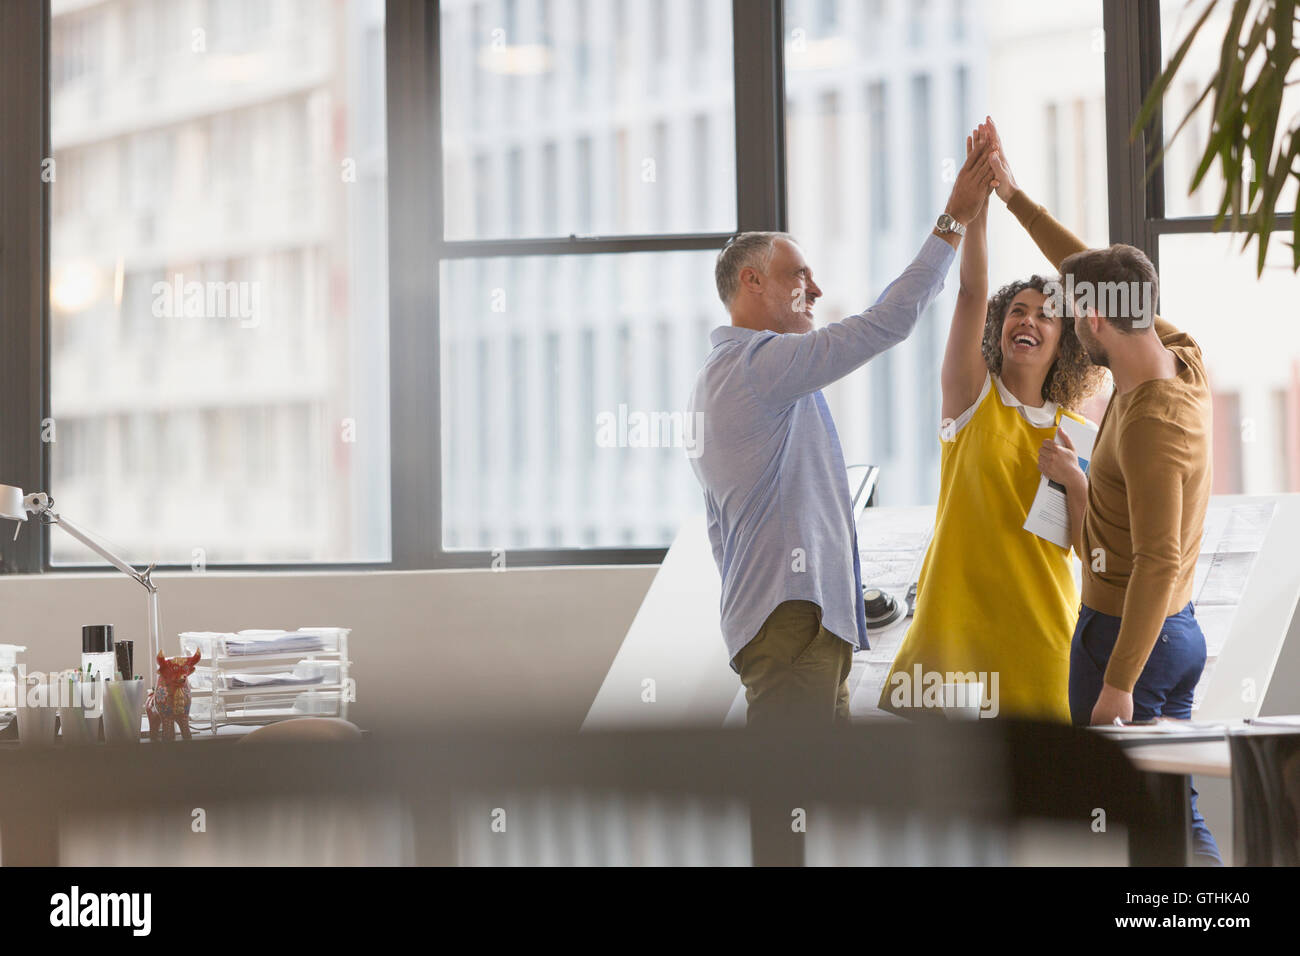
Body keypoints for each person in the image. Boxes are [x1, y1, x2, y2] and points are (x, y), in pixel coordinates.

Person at [686, 141, 996, 729]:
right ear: (752, 282)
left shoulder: (725, 378)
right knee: (797, 805)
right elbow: (886, 322)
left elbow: (721, 530)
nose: (817, 291)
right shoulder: (758, 366)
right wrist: (955, 217)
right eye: (799, 275)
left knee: (810, 810)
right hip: (792, 620)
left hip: (790, 622)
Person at [986, 120, 1222, 864]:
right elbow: (1087, 267)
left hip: (1128, 640)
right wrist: (1013, 197)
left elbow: (1154, 559)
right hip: (1173, 634)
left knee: (1143, 829)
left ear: (1090, 320)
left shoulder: (1153, 423)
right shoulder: (1178, 354)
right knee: (1169, 819)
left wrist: (1117, 684)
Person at [879, 122, 1107, 722]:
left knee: (1043, 806)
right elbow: (971, 292)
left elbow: (1091, 547)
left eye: (1045, 316)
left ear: (1064, 345)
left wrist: (1074, 478)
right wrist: (978, 207)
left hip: (1043, 635)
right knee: (951, 810)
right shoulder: (971, 396)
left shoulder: (1076, 432)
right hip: (955, 640)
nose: (1026, 321)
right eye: (1018, 312)